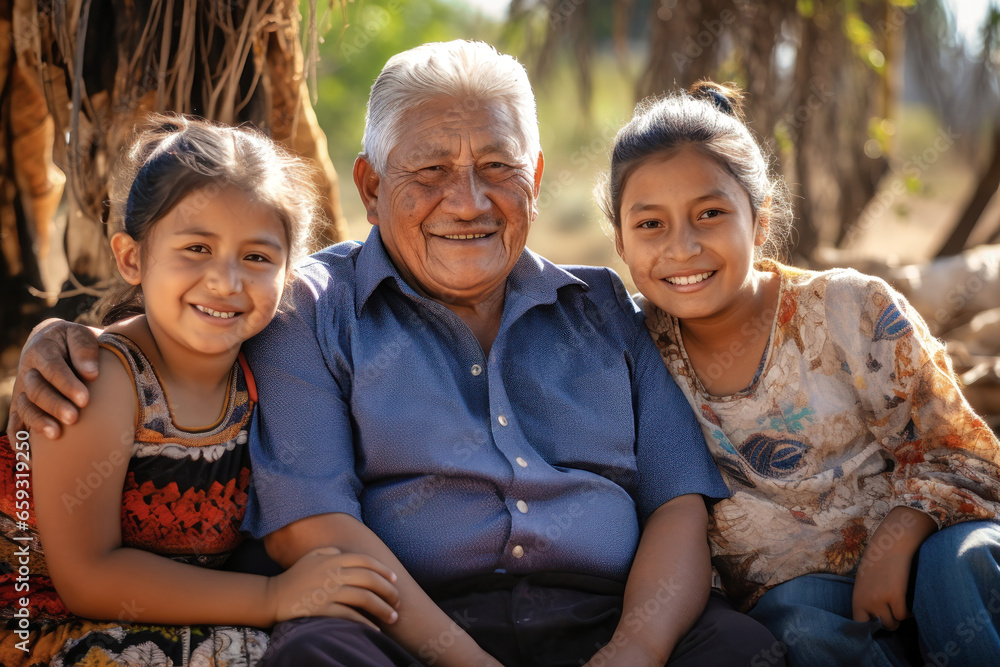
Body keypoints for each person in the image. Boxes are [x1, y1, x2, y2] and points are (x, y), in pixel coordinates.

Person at [5, 42, 785, 666]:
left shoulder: (606, 306)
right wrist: (67, 336)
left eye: (499, 168)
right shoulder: (307, 308)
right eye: (431, 170)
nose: (469, 201)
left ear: (537, 178)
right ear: (371, 187)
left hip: (608, 618)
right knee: (318, 653)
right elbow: (310, 525)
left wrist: (637, 649)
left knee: (746, 649)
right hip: (401, 624)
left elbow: (678, 504)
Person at [599, 80, 1000, 667]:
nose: (682, 248)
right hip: (794, 591)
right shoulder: (634, 348)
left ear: (759, 224)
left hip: (927, 540)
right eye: (650, 225)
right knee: (797, 626)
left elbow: (965, 454)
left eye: (710, 214)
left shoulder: (851, 310)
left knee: (959, 570)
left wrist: (897, 540)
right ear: (620, 242)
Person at [0, 115, 401, 666]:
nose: (226, 281)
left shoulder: (266, 369)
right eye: (196, 248)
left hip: (171, 615)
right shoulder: (102, 379)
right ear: (131, 257)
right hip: (40, 626)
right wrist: (275, 597)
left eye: (257, 257)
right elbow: (87, 578)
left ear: (289, 277)